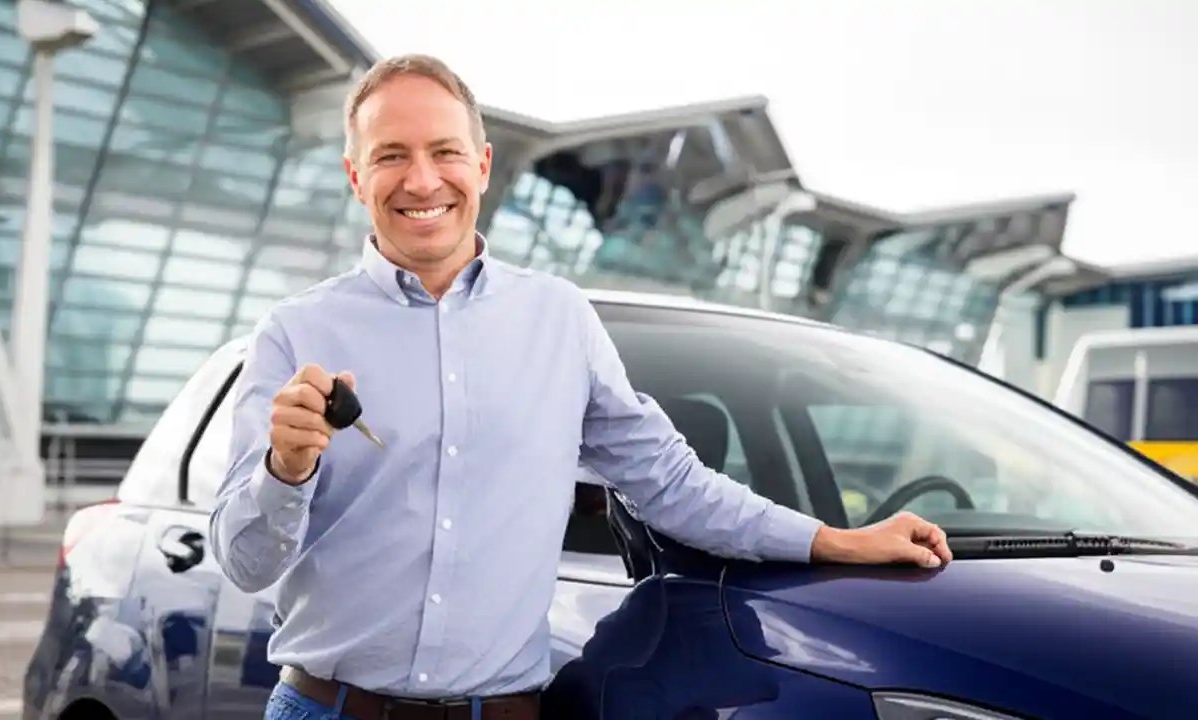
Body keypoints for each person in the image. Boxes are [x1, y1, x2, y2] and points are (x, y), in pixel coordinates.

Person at [208, 53, 953, 720]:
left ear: (484, 165)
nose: (422, 179)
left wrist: (837, 539)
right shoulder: (296, 332)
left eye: (445, 152)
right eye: (391, 155)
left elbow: (672, 484)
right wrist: (287, 469)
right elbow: (246, 564)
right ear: (355, 176)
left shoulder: (559, 319)